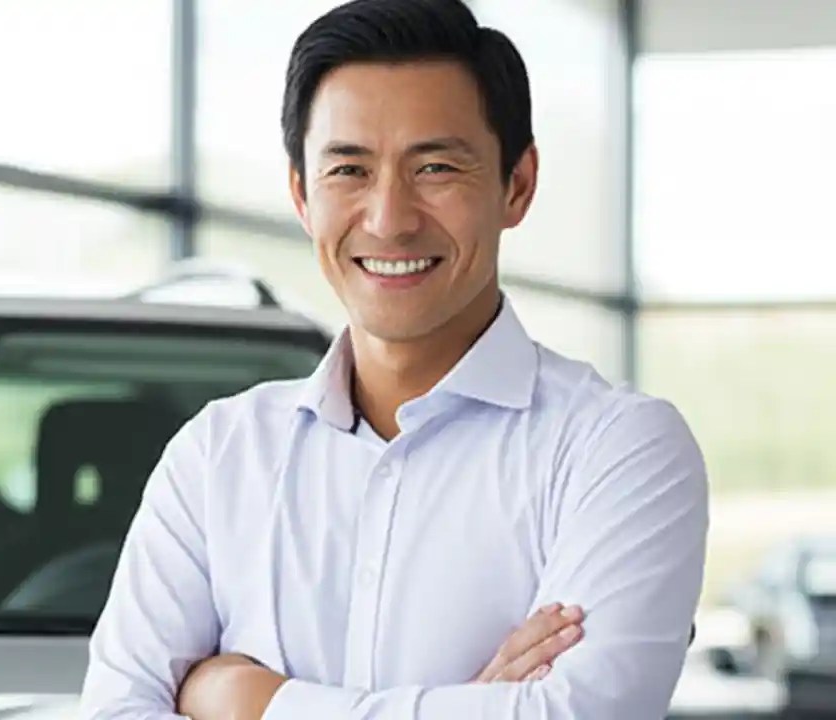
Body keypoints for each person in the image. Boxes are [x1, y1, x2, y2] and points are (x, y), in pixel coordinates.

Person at [78, 0, 709, 717]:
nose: (389, 218)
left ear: (517, 184)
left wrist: (256, 702)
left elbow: (581, 713)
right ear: (301, 195)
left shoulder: (617, 449)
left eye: (435, 167)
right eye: (349, 170)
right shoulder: (218, 456)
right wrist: (470, 706)